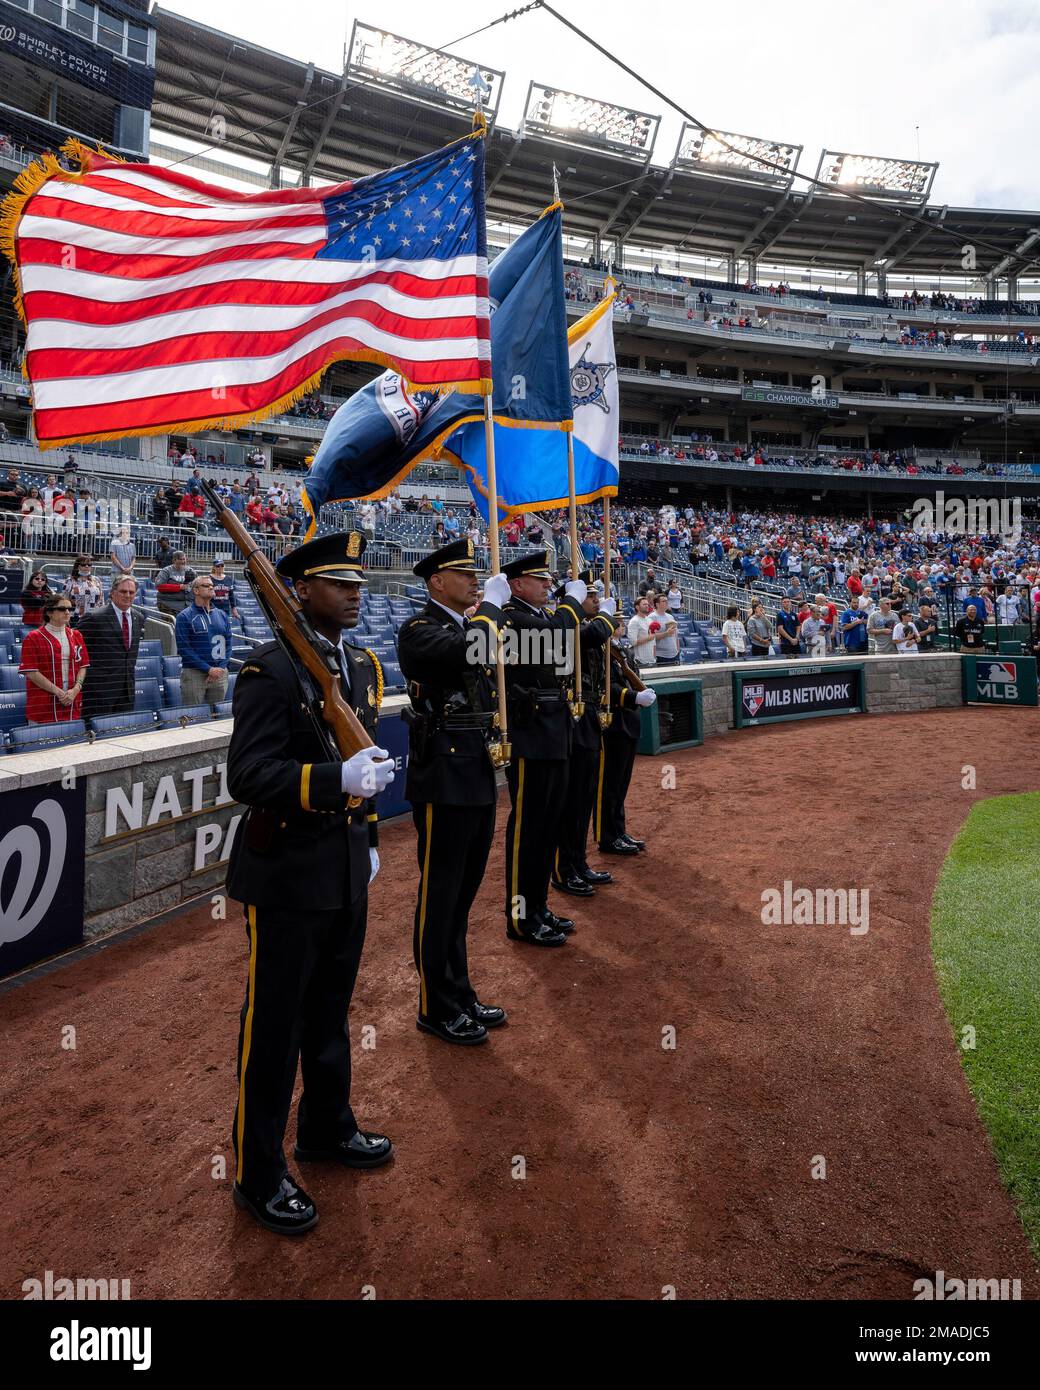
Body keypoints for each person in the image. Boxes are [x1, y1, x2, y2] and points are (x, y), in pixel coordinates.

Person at [224, 530, 396, 1236]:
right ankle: (256, 1171)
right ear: (299, 590)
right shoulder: (269, 672)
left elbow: (365, 758)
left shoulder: (357, 664)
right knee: (275, 1027)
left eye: (358, 583)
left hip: (345, 866)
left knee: (328, 1013)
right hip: (289, 873)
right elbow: (248, 775)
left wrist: (371, 833)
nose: (356, 592)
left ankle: (325, 1126)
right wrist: (332, 781)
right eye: (338, 582)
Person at [397, 538, 509, 1046]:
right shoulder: (420, 629)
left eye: (474, 576)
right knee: (440, 895)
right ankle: (433, 1004)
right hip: (443, 775)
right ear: (437, 582)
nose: (473, 581)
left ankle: (459, 990)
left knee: (463, 894)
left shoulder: (464, 624)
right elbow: (475, 650)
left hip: (477, 771)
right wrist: (489, 608)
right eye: (463, 575)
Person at [499, 550, 587, 947]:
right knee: (528, 832)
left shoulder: (533, 616)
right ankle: (521, 916)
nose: (548, 585)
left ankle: (537, 906)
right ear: (517, 584)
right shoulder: (511, 616)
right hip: (532, 736)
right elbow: (558, 636)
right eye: (541, 580)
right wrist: (573, 600)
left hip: (552, 732)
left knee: (547, 828)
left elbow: (561, 657)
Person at [552, 574, 617, 897]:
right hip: (571, 718)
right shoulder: (562, 627)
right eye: (589, 596)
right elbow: (590, 636)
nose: (595, 600)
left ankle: (578, 861)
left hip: (589, 715)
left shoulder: (582, 626)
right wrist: (606, 616)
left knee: (584, 798)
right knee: (570, 800)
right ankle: (563, 868)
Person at [596, 614, 655, 855]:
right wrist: (632, 697)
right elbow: (605, 686)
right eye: (615, 622)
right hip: (613, 724)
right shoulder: (600, 650)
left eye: (620, 621)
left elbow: (632, 677)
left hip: (629, 722)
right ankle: (607, 836)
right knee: (609, 786)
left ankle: (618, 831)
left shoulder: (621, 650)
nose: (619, 625)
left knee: (621, 785)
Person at [78, 575, 145, 722]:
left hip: (126, 690)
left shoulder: (138, 617)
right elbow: (79, 652)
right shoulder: (94, 617)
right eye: (123, 591)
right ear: (112, 592)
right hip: (99, 691)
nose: (127, 595)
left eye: (131, 592)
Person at [19, 593, 89, 724]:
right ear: (49, 613)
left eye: (70, 609)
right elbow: (31, 672)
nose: (67, 612)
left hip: (72, 701)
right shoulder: (33, 637)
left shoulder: (77, 635)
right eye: (62, 609)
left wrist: (76, 689)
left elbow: (83, 666)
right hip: (43, 704)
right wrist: (58, 692)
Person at [175, 575, 232, 706]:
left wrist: (220, 668)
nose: (211, 587)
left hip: (220, 674)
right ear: (196, 591)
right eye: (206, 586)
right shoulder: (184, 616)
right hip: (194, 674)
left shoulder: (222, 615)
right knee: (193, 716)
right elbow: (184, 649)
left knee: (216, 720)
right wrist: (208, 669)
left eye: (212, 585)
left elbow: (228, 645)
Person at [63, 554, 105, 622]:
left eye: (89, 564)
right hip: (75, 617)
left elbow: (101, 600)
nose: (86, 566)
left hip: (94, 617)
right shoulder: (69, 581)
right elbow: (65, 599)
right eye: (83, 564)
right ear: (78, 566)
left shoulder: (97, 580)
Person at [155, 551, 197, 616]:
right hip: (168, 604)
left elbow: (197, 585)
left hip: (188, 604)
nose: (183, 561)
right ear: (174, 560)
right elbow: (159, 586)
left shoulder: (191, 571)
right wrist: (179, 587)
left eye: (184, 559)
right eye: (180, 559)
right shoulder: (166, 571)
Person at [650, 593, 680, 665]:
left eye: (667, 600)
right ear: (657, 604)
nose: (667, 602)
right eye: (664, 601)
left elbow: (676, 636)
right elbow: (651, 637)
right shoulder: (652, 617)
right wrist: (666, 633)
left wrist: (678, 650)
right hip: (661, 655)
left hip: (674, 654)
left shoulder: (670, 617)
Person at [627, 596, 657, 668]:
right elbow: (632, 642)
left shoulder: (650, 620)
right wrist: (649, 638)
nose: (647, 606)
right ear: (637, 607)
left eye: (647, 604)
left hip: (652, 661)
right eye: (644, 604)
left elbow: (653, 641)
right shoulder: (634, 621)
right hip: (640, 661)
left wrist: (654, 657)